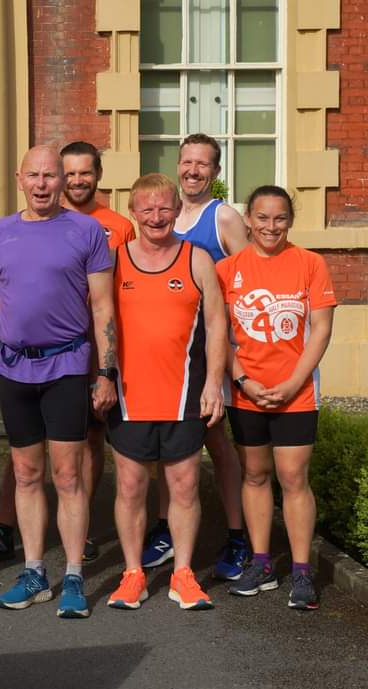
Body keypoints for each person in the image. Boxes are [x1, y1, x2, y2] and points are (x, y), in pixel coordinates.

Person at [0, 145, 117, 619]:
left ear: (61, 180)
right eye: (34, 175)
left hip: (67, 367)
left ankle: (72, 573)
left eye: (51, 176)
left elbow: (103, 308)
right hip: (12, 370)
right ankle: (35, 572)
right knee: (26, 474)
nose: (42, 184)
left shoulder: (87, 231)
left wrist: (106, 371)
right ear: (20, 178)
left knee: (67, 476)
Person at [103, 173, 227, 612]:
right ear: (133, 213)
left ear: (177, 210)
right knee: (132, 486)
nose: (156, 217)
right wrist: (99, 377)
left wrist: (214, 382)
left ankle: (183, 574)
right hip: (129, 393)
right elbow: (98, 322)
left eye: (164, 208)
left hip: (184, 394)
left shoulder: (196, 258)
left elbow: (216, 324)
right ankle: (133, 573)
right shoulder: (114, 260)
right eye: (146, 209)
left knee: (184, 485)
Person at [221, 186, 336, 610]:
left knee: (293, 478)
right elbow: (220, 338)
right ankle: (263, 562)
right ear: (248, 219)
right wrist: (244, 380)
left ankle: (302, 571)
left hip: (296, 393)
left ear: (290, 220)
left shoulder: (311, 263)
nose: (271, 227)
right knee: (254, 475)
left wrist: (291, 385)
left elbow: (321, 330)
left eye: (280, 218)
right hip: (246, 392)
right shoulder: (226, 269)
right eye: (263, 218)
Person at [141, 133, 250, 579]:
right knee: (173, 448)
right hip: (174, 355)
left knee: (219, 444)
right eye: (187, 162)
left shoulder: (222, 217)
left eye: (203, 165)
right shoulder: (162, 211)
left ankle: (238, 534)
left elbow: (247, 285)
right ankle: (167, 529)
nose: (193, 171)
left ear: (216, 172)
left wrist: (236, 360)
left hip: (214, 352)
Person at [60, 140, 137, 562]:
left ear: (98, 175)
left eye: (84, 172)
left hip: (103, 348)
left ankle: (97, 523)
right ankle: (73, 522)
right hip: (63, 348)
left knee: (101, 437)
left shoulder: (120, 226)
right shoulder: (47, 220)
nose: (76, 180)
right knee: (69, 440)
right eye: (69, 173)